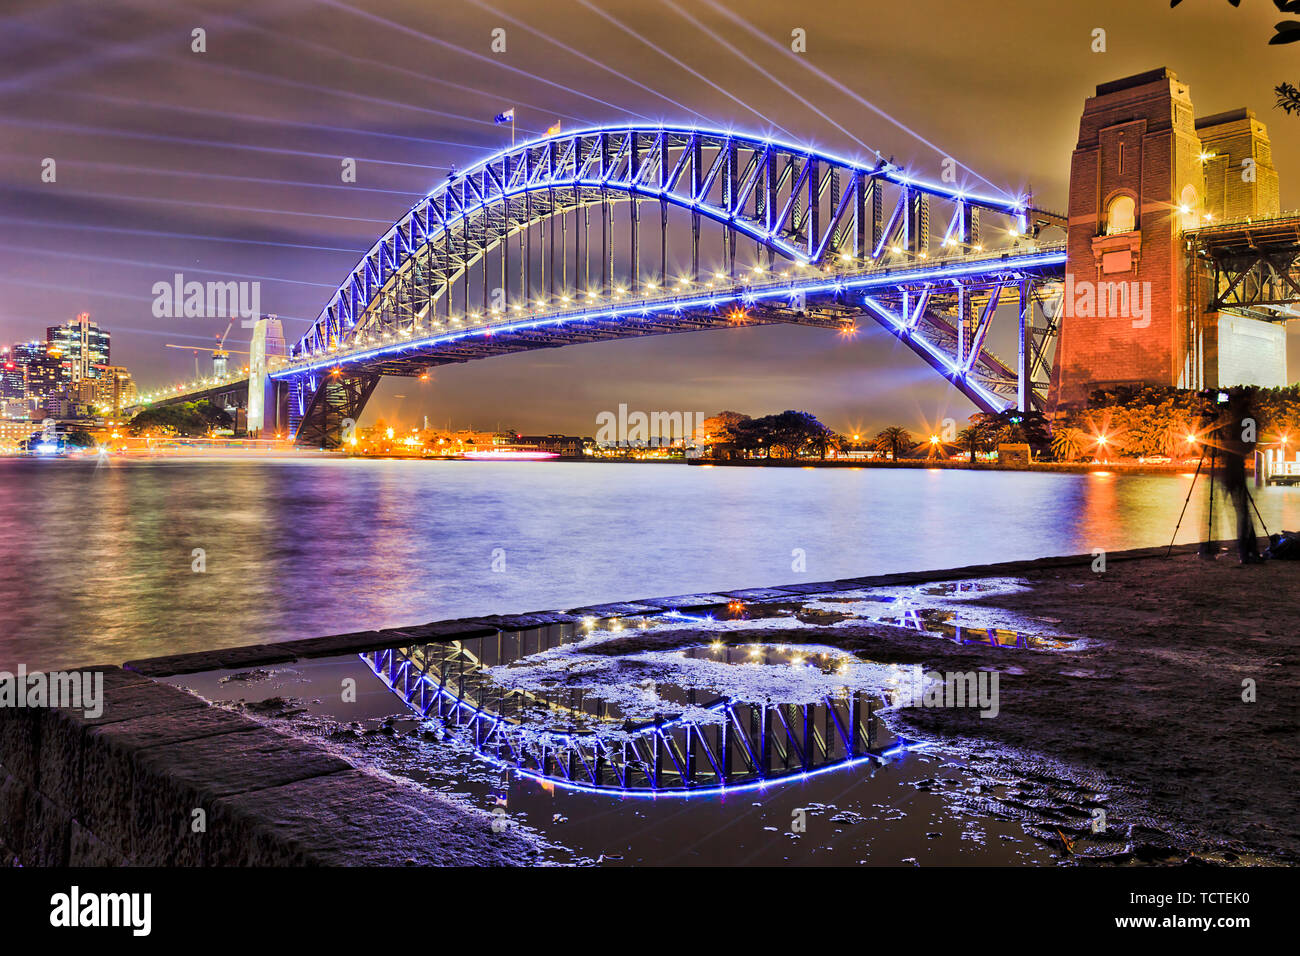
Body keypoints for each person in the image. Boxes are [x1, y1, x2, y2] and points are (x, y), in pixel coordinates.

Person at [1218, 387, 1262, 563]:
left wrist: (1223, 443)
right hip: (1230, 469)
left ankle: (1246, 552)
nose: (1232, 403)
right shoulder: (1237, 419)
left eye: (1235, 400)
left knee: (1242, 512)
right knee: (1242, 511)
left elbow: (1246, 447)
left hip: (1235, 470)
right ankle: (1249, 552)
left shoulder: (1248, 421)